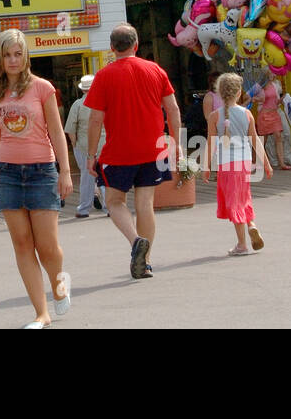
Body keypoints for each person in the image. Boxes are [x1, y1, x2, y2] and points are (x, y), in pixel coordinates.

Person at [0, 29, 73, 328]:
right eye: (7, 54)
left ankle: (60, 285)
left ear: (26, 56)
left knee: (47, 246)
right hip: (7, 173)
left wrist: (65, 171)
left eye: (17, 54)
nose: (12, 60)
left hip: (41, 172)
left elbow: (57, 131)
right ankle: (41, 313)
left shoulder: (42, 88)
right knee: (22, 244)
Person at [84, 23, 183, 279]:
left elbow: (95, 119)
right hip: (153, 149)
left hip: (119, 151)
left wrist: (91, 154)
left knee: (114, 202)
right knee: (145, 203)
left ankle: (135, 241)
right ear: (136, 45)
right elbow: (172, 109)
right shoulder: (156, 70)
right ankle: (146, 262)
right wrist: (176, 143)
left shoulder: (104, 76)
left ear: (111, 48)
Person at [203, 72, 272, 255]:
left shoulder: (214, 116)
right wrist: (266, 164)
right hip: (244, 162)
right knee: (242, 196)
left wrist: (206, 167)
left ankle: (242, 244)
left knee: (234, 201)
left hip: (226, 164)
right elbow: (256, 140)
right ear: (239, 92)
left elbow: (210, 142)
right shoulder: (247, 113)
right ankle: (251, 225)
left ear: (219, 92)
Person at [64, 73, 106, 218]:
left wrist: (75, 145)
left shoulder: (77, 105)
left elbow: (70, 129)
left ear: (82, 90)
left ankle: (84, 208)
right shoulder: (105, 101)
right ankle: (109, 206)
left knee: (86, 178)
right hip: (104, 145)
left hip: (84, 146)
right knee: (105, 177)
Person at [254, 80, 289, 170]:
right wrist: (257, 99)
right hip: (264, 114)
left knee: (278, 136)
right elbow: (249, 96)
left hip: (274, 113)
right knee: (263, 140)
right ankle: (255, 161)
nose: (273, 75)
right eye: (271, 73)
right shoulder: (259, 86)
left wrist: (282, 99)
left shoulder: (275, 84)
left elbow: (275, 101)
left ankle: (282, 163)